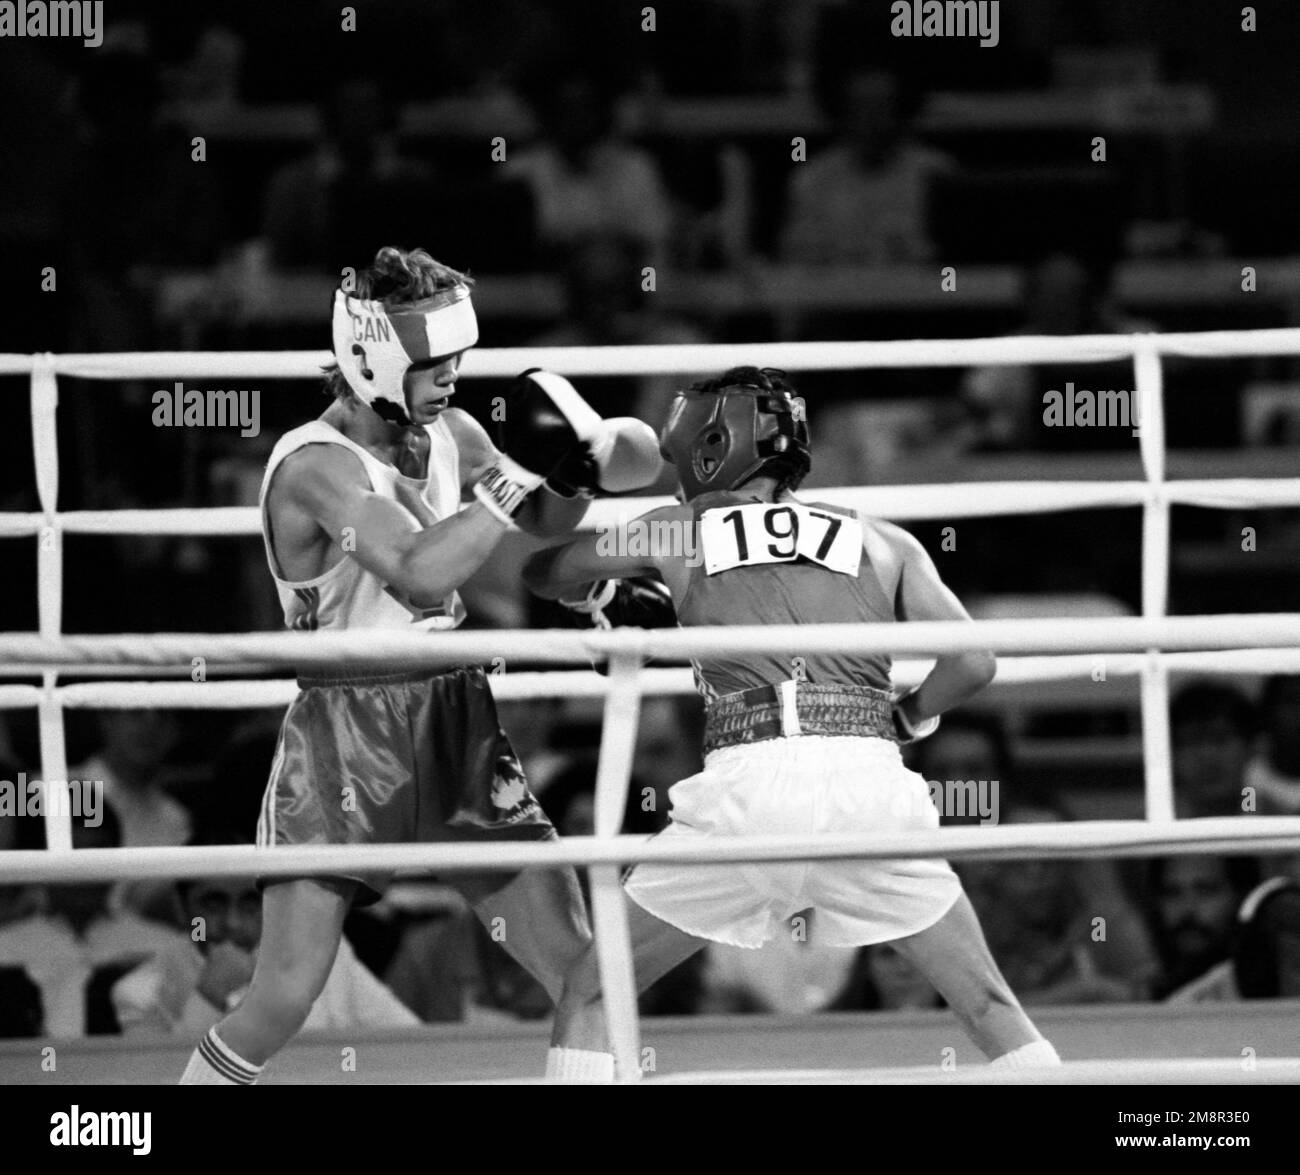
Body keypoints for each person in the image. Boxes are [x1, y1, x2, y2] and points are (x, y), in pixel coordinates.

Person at [179, 245, 660, 1085]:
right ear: (374, 359)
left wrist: (587, 467)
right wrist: (519, 481)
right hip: (346, 729)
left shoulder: (454, 434)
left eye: (456, 363)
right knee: (283, 996)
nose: (450, 382)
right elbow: (419, 569)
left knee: (584, 964)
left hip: (456, 716)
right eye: (433, 366)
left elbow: (541, 521)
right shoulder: (314, 467)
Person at [524, 365, 1061, 1074]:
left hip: (750, 793)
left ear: (709, 444)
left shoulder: (681, 530)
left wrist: (588, 530)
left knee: (592, 990)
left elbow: (542, 573)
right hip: (869, 786)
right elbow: (974, 663)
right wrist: (907, 716)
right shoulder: (883, 540)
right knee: (990, 1005)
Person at [115, 834, 418, 1038]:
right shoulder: (139, 993)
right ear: (181, 909)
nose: (233, 923)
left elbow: (409, 1043)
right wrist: (207, 999)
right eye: (213, 904)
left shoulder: (325, 956)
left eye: (249, 903)